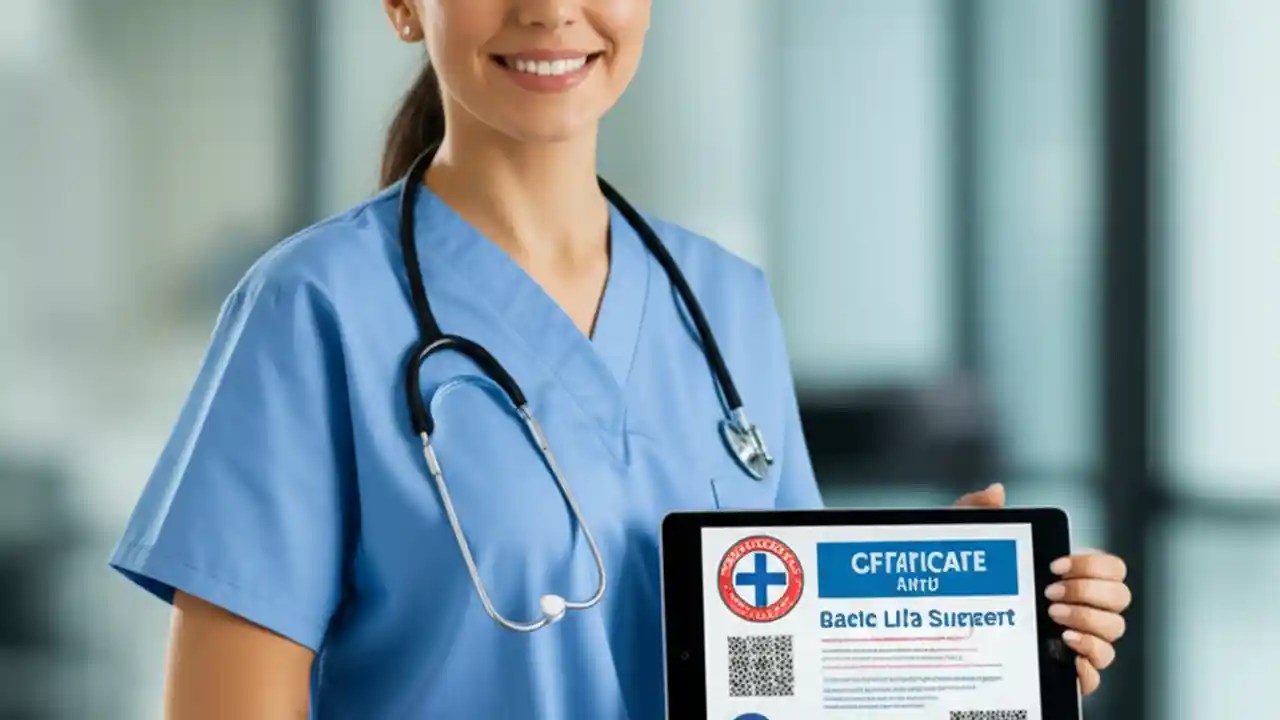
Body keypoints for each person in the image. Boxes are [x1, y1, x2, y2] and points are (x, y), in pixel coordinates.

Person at [108, 1, 1133, 717]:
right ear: (401, 4)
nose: (552, 9)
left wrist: (960, 632)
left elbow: (784, 684)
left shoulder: (726, 301)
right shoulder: (312, 310)